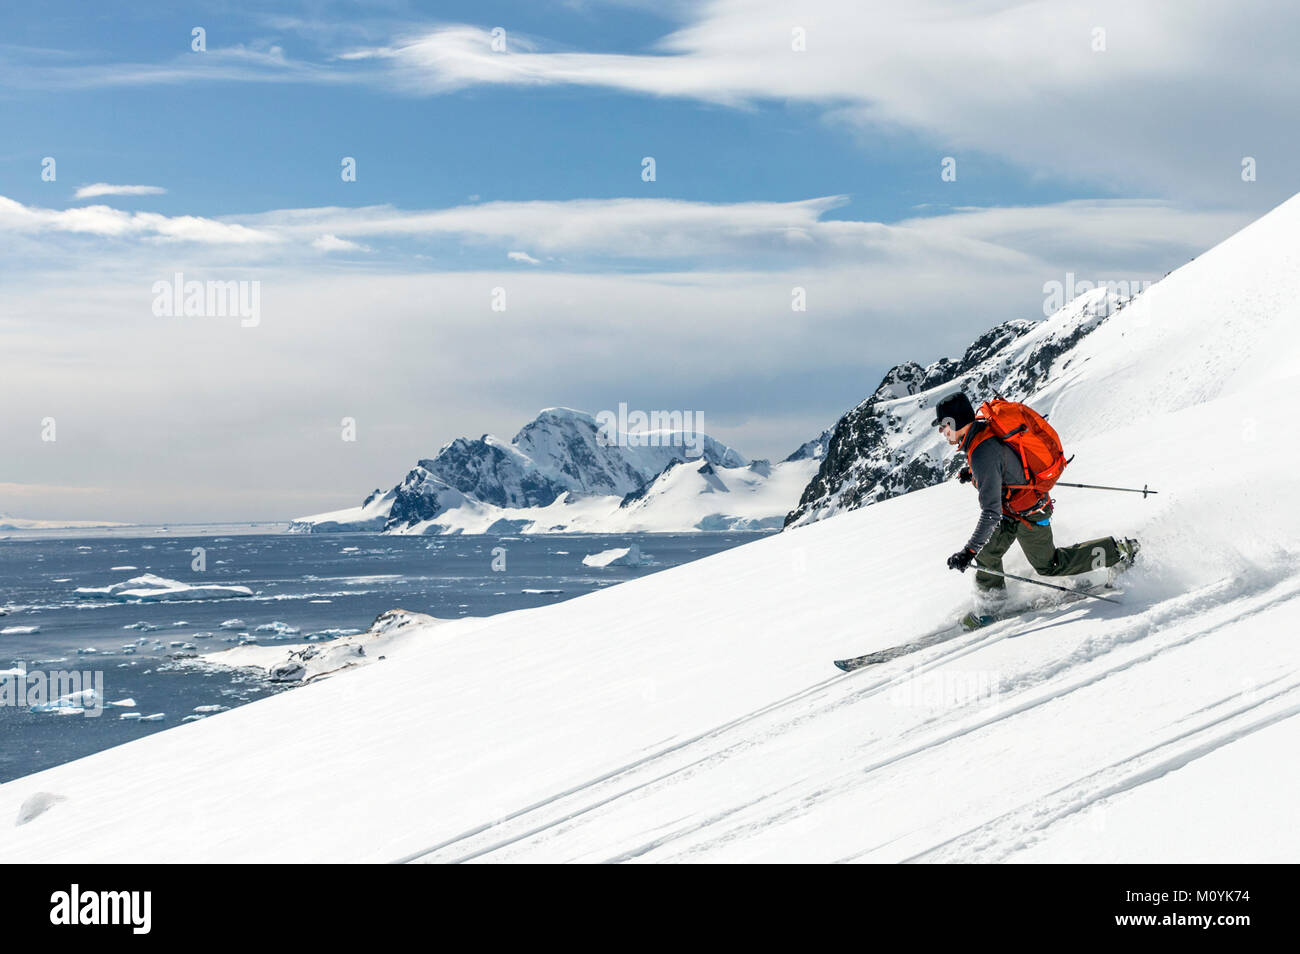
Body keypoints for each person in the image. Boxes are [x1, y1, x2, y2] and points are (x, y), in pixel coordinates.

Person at [933, 391, 1138, 624]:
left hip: (1030, 512)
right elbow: (1003, 463)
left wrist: (968, 551)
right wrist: (972, 473)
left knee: (1049, 565)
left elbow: (991, 512)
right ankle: (990, 608)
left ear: (954, 422)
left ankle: (1118, 552)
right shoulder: (982, 432)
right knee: (988, 554)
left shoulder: (982, 453)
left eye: (943, 425)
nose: (942, 432)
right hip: (1012, 510)